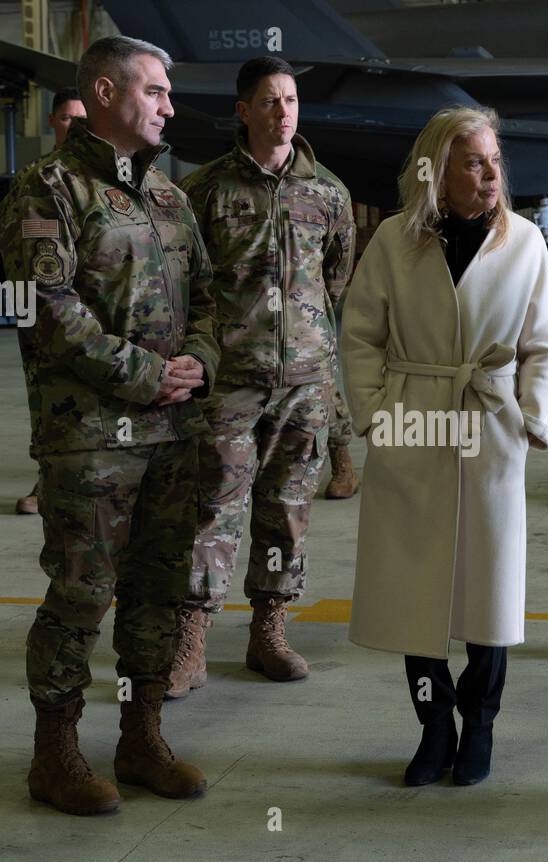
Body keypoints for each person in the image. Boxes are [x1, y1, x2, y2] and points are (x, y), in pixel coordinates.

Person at [0, 35, 219, 815]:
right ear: (104, 91)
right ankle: (54, 755)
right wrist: (149, 376)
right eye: (154, 90)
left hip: (172, 437)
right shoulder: (46, 190)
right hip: (90, 436)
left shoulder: (169, 198)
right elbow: (49, 313)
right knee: (82, 593)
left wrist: (198, 360)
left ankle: (141, 736)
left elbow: (210, 301)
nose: (167, 104)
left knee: (159, 591)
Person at [341, 106, 548, 787]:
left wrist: (530, 415)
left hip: (491, 424)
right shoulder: (391, 240)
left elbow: (545, 341)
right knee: (415, 596)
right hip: (414, 422)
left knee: (488, 593)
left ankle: (482, 727)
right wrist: (377, 416)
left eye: (496, 160)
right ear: (436, 171)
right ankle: (434, 727)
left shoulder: (524, 241)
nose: (491, 173)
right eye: (474, 161)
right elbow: (360, 336)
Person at [174, 56, 355, 694]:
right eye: (271, 101)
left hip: (305, 381)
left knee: (288, 510)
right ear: (243, 110)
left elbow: (336, 285)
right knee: (213, 506)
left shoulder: (328, 193)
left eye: (292, 100)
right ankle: (190, 638)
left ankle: (268, 631)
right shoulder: (204, 191)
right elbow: (187, 286)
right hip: (229, 379)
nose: (284, 112)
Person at [15, 88, 90, 517]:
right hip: (49, 311)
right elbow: (38, 258)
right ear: (52, 122)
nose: (74, 126)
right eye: (66, 118)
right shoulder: (37, 180)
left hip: (99, 314)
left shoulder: (104, 177)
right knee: (52, 405)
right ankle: (47, 484)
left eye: (82, 118)